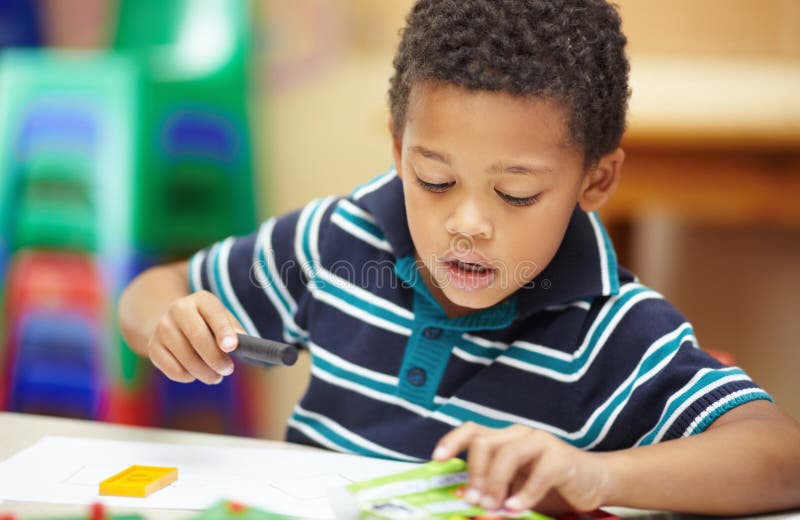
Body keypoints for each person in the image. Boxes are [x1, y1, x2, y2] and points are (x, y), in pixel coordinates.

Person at [118, 0, 800, 515]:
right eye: (435, 180)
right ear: (397, 148)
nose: (466, 224)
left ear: (596, 180)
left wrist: (600, 474)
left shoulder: (612, 331)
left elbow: (782, 458)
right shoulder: (337, 243)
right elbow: (157, 286)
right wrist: (167, 323)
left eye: (515, 193)